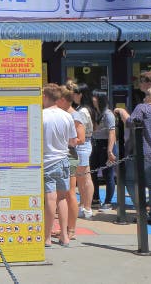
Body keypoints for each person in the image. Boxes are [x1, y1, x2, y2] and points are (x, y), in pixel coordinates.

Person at [115, 86, 151, 225]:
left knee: (129, 180)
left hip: (143, 152)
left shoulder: (143, 108)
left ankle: (141, 212)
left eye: (147, 94)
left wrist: (122, 111)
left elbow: (131, 122)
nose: (144, 96)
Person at [42, 83, 77, 247]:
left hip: (47, 160)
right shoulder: (67, 116)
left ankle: (47, 237)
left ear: (45, 97)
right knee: (62, 198)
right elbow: (73, 142)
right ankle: (64, 235)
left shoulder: (41, 116)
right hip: (63, 159)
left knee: (50, 198)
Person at [58, 82, 86, 237]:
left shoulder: (75, 115)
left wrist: (62, 140)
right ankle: (65, 227)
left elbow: (80, 138)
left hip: (69, 155)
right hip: (61, 154)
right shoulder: (62, 113)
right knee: (61, 193)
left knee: (69, 193)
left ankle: (71, 230)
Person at [90, 89, 116, 209]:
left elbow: (112, 133)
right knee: (93, 173)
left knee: (108, 175)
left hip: (106, 145)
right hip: (95, 144)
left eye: (95, 97)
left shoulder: (108, 114)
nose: (93, 99)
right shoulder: (95, 113)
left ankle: (108, 201)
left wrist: (110, 151)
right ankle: (95, 198)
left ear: (100, 99)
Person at [72, 82, 96, 220]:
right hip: (83, 144)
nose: (73, 96)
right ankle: (83, 205)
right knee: (81, 178)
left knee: (85, 177)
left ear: (80, 94)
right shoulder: (84, 109)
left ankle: (87, 207)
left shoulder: (83, 111)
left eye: (75, 93)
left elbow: (80, 129)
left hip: (83, 143)